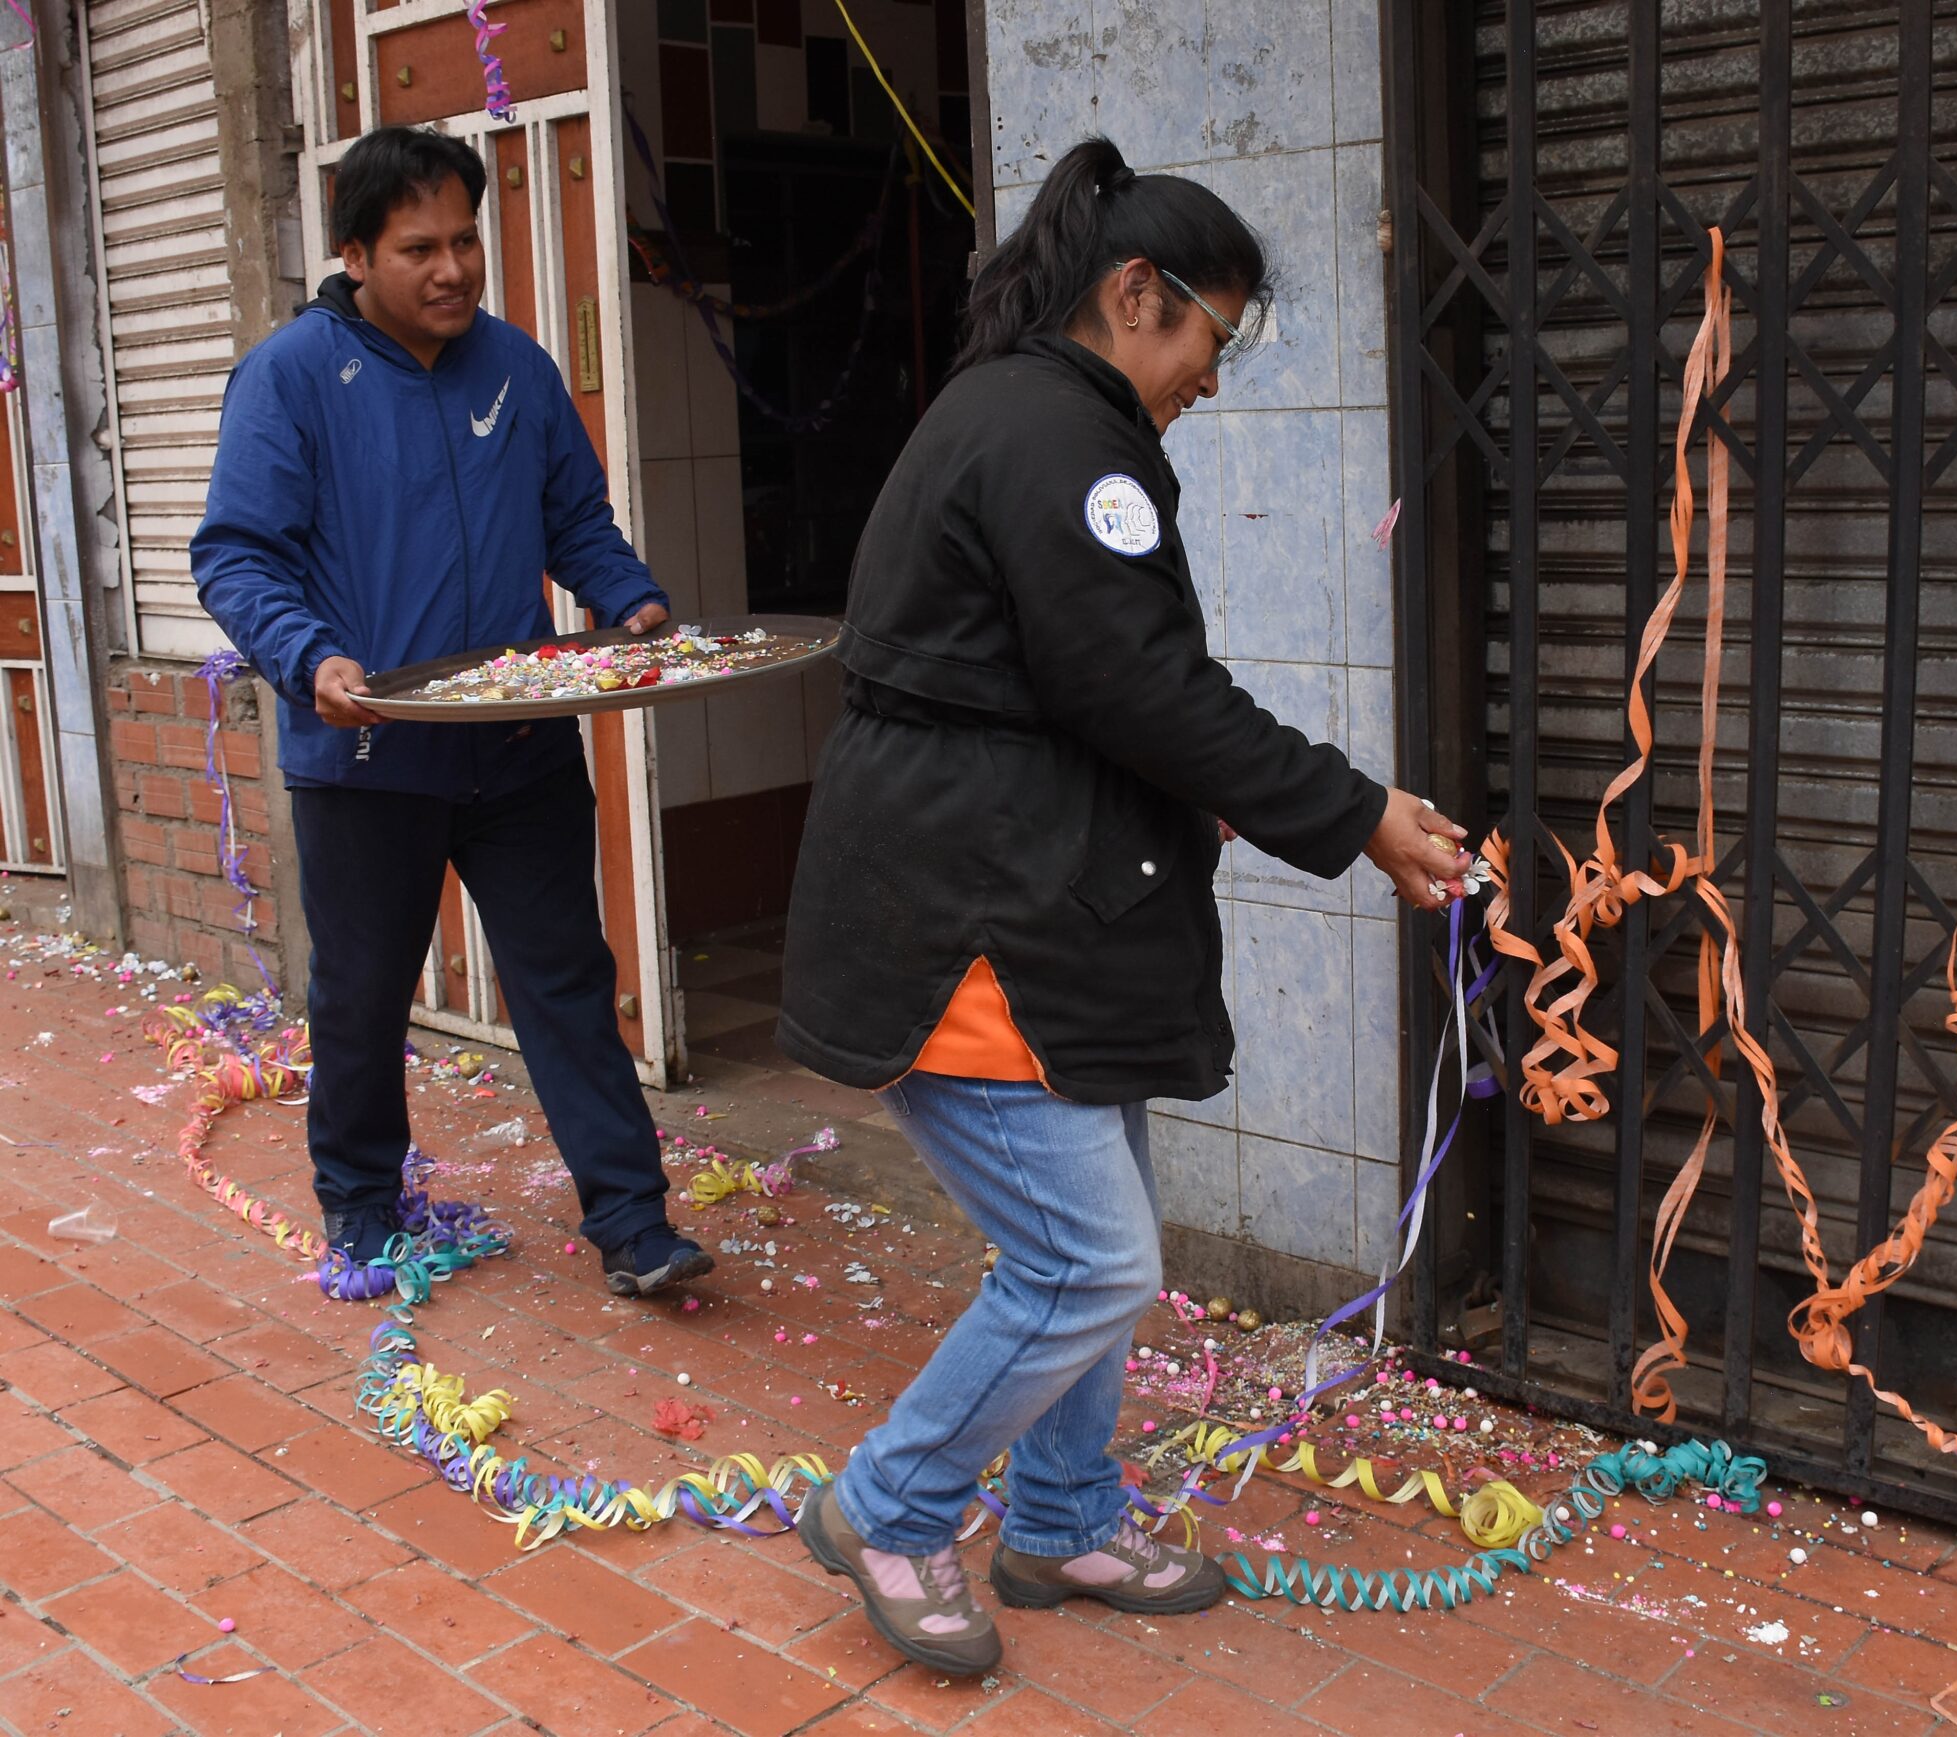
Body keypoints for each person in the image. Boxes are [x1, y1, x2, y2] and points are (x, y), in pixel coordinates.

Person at [776, 135, 1469, 1672]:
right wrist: (1356, 813)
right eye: (1212, 334)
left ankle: (1062, 1514)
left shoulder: (1033, 416)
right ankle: (891, 1505)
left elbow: (1083, 688)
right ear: (1135, 291)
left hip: (1049, 902)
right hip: (976, 919)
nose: (1212, 377)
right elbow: (1141, 687)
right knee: (1089, 1262)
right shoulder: (1059, 441)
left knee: (1095, 1246)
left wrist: (1237, 789)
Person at [192, 125, 715, 1299]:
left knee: (566, 981)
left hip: (518, 744)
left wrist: (628, 600)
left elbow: (576, 521)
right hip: (367, 753)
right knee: (362, 996)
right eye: (419, 248)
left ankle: (634, 1223)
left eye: (465, 241)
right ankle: (360, 1204)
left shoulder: (517, 368)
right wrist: (310, 659)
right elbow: (235, 555)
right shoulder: (290, 377)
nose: (452, 269)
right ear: (355, 255)